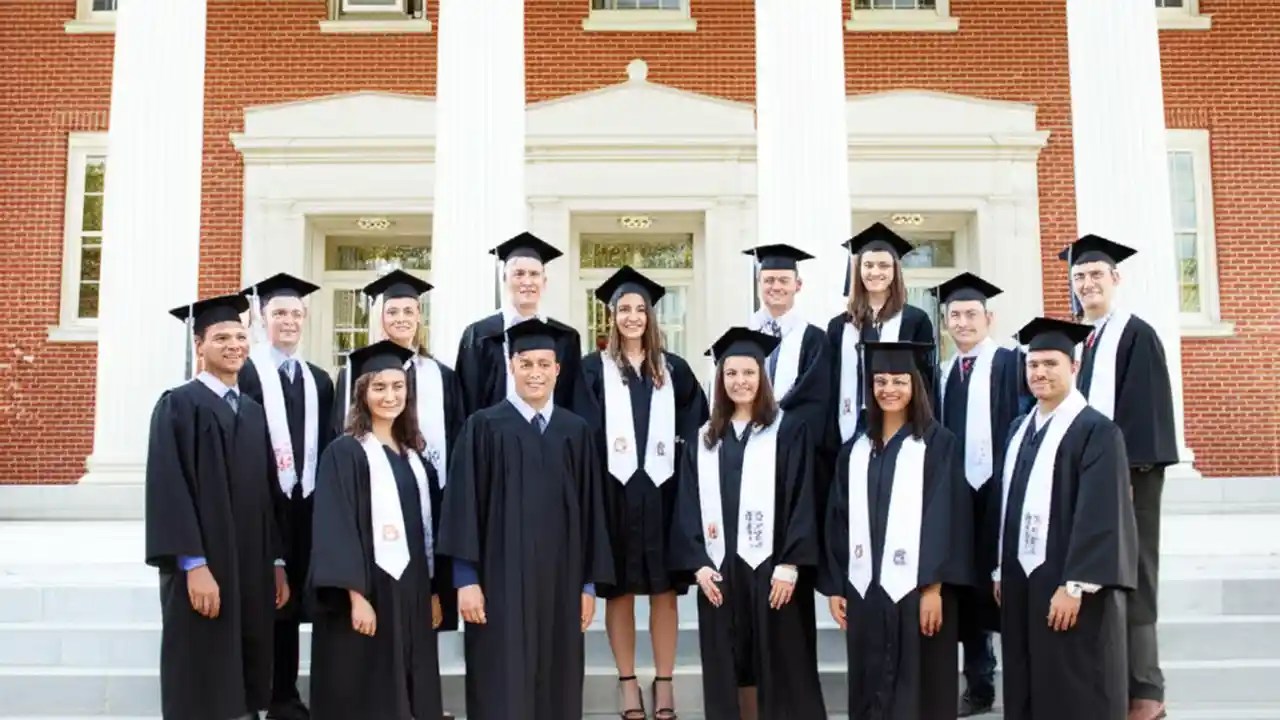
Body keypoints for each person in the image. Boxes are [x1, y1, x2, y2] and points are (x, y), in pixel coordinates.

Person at [438, 318, 614, 720]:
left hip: (562, 581)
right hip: (498, 584)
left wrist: (587, 584)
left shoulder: (576, 432)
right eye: (526, 363)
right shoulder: (482, 427)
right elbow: (463, 505)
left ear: (558, 369)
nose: (536, 372)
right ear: (511, 365)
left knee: (558, 677)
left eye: (544, 364)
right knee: (500, 676)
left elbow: (592, 512)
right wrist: (466, 580)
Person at [144, 293, 289, 720]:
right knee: (201, 663)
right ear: (199, 346)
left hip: (250, 564)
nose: (234, 345)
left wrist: (276, 560)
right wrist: (193, 564)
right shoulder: (178, 405)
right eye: (221, 337)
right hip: (204, 564)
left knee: (244, 668)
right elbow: (169, 491)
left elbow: (267, 494)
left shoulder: (252, 411)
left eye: (241, 336)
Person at [670, 327, 827, 720]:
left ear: (763, 378)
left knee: (782, 658)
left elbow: (802, 498)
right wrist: (698, 564)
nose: (740, 382)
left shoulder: (788, 431)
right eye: (731, 374)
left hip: (775, 571)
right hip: (720, 571)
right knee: (728, 660)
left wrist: (791, 564)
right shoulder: (704, 439)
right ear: (720, 381)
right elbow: (686, 504)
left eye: (749, 373)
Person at [579, 266, 709, 720]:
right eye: (623, 309)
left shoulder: (675, 370)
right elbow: (582, 436)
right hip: (612, 495)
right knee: (618, 592)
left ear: (652, 317)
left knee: (663, 592)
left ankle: (666, 681)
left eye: (640, 309)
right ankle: (628, 682)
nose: (632, 317)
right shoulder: (589, 370)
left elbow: (697, 436)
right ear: (611, 317)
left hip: (665, 495)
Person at [820, 340, 973, 720]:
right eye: (881, 381)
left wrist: (934, 587)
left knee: (919, 688)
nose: (889, 389)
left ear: (915, 385)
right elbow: (838, 516)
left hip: (916, 591)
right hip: (866, 590)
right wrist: (838, 585)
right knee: (870, 681)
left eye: (900, 381)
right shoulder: (855, 449)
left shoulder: (939, 444)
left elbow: (947, 516)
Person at [996, 317, 1139, 720]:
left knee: (1073, 683)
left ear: (1074, 367)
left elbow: (1102, 514)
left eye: (1050, 363)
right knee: (1028, 678)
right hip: (1023, 582)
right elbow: (1006, 504)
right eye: (1033, 364)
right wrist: (999, 569)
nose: (1039, 372)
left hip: (1071, 585)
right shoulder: (1020, 429)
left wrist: (1075, 585)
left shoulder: (1097, 431)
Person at [1060, 234, 1178, 720]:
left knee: (1136, 576)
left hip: (1130, 476)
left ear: (1115, 278)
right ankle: (1105, 683)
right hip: (1086, 477)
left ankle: (1146, 688)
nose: (1087, 283)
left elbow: (1144, 409)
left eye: (1095, 275)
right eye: (1080, 277)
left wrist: (1128, 473)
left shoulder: (1135, 334)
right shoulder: (1078, 340)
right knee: (1093, 576)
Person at [307, 340, 447, 720]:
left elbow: (429, 531)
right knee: (365, 685)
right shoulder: (345, 452)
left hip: (413, 589)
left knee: (409, 680)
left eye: (398, 387)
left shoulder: (417, 458)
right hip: (369, 588)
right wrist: (356, 596)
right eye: (379, 387)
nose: (390, 396)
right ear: (362, 393)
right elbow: (335, 527)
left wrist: (434, 591)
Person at [930, 272, 1032, 717]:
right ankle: (979, 682)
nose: (963, 322)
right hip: (959, 494)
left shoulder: (1013, 362)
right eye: (955, 315)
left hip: (1002, 488)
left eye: (972, 314)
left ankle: (1028, 680)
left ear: (989, 317)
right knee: (969, 587)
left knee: (1008, 583)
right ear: (946, 322)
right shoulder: (943, 373)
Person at [235, 272, 335, 720]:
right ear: (261, 317)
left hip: (305, 508)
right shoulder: (247, 373)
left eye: (296, 314)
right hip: (258, 504)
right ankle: (253, 692)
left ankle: (284, 694)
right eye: (279, 313)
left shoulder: (319, 380)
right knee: (262, 604)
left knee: (291, 606)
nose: (289, 322)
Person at [827, 222, 935, 449]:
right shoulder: (839, 326)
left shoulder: (915, 320)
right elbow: (831, 384)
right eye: (868, 265)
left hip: (901, 427)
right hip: (848, 427)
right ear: (859, 270)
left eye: (884, 265)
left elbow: (925, 380)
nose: (875, 272)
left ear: (895, 272)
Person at [454, 232, 585, 416]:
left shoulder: (564, 338)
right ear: (505, 279)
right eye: (519, 274)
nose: (527, 281)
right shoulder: (479, 335)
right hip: (493, 439)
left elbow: (573, 401)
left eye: (534, 274)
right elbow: (466, 399)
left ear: (544, 282)